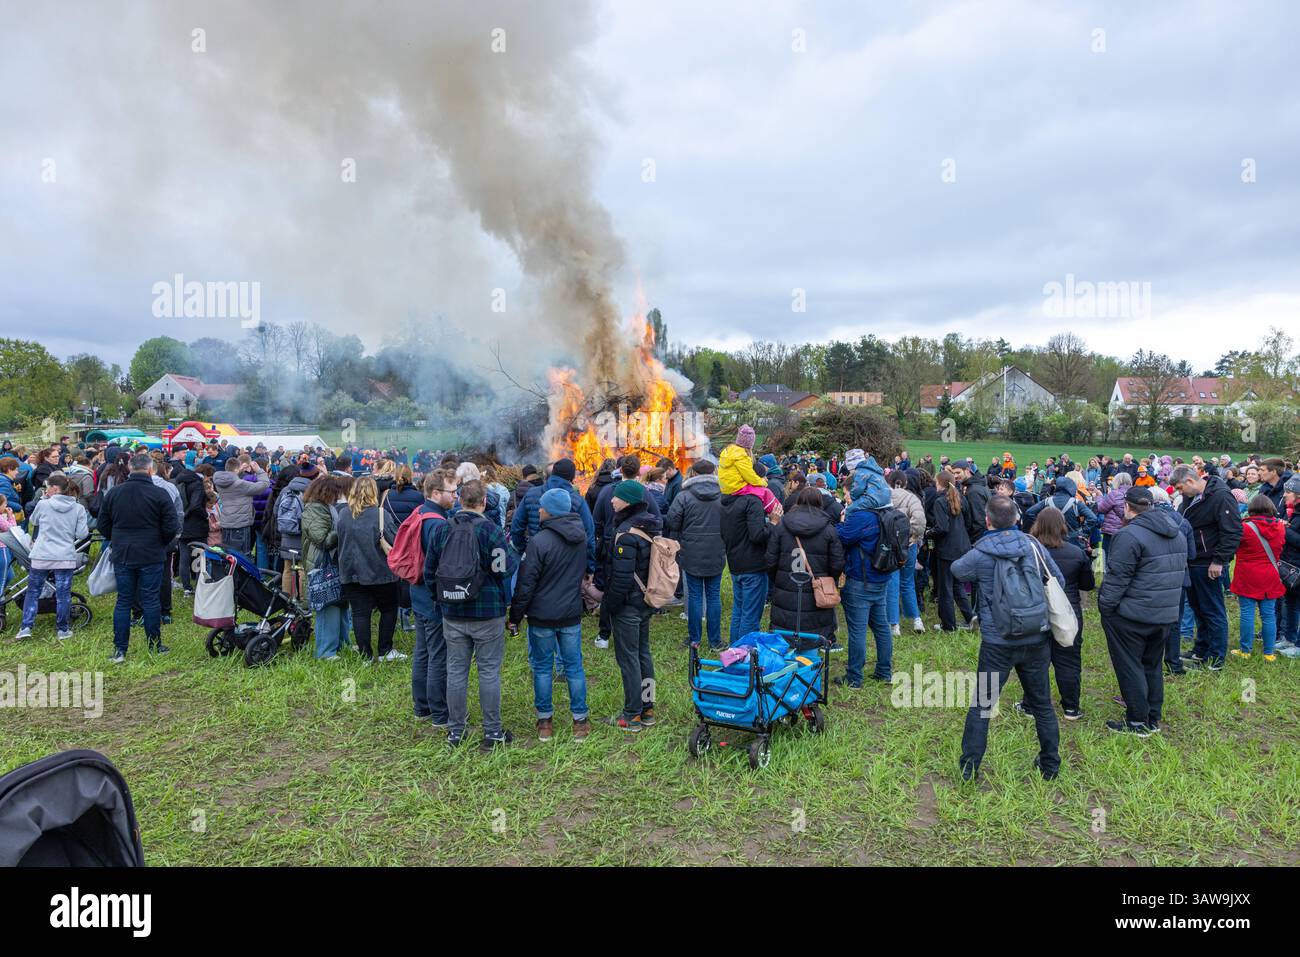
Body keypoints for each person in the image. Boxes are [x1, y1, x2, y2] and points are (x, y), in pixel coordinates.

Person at [952, 495, 1064, 781]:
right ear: (1016, 519)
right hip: (1036, 636)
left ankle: (969, 769)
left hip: (997, 641)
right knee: (1042, 704)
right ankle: (1050, 765)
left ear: (987, 521)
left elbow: (957, 570)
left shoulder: (981, 552)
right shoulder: (1033, 545)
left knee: (982, 706)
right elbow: (1058, 581)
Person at [425, 479, 518, 750]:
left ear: (459, 500)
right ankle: (492, 733)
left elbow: (430, 572)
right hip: (487, 612)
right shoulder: (491, 531)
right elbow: (505, 569)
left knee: (456, 671)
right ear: (485, 502)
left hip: (452, 612)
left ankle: (456, 732)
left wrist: (440, 600)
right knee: (488, 672)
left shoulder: (442, 530)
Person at [1097, 486, 1188, 736]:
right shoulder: (1176, 532)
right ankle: (1152, 715)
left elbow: (1118, 577)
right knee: (1152, 664)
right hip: (1164, 612)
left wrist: (1106, 607)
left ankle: (1137, 720)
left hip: (1133, 613)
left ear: (1127, 507)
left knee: (1130, 665)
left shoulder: (1129, 535)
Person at [508, 487, 591, 743]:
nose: (539, 510)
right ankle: (580, 721)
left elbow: (525, 584)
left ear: (551, 511)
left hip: (542, 616)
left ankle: (545, 721)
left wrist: (515, 616)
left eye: (542, 507)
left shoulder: (539, 542)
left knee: (542, 668)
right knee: (574, 667)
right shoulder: (581, 538)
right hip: (570, 613)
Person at [97, 453, 179, 663]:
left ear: (130, 469)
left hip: (123, 551)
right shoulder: (159, 494)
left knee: (124, 600)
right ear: (150, 470)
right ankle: (154, 645)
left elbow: (103, 525)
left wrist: (117, 538)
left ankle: (120, 649)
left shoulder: (115, 493)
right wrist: (159, 541)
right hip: (151, 553)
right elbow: (171, 526)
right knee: (150, 599)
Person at [603, 480, 664, 732]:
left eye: (616, 497)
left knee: (628, 659)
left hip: (629, 604)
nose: (611, 501)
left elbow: (621, 578)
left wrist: (609, 607)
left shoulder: (626, 533)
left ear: (627, 501)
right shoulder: (650, 526)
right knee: (643, 654)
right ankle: (647, 707)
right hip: (647, 599)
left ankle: (632, 714)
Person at [1172, 463, 1241, 670]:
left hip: (1209, 562)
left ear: (1190, 481)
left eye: (1180, 488)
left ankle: (1216, 657)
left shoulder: (1220, 496)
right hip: (1192, 562)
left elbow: (1233, 531)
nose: (1179, 492)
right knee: (1198, 608)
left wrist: (1220, 560)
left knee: (1213, 610)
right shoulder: (1190, 498)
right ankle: (1201, 649)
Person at [1027, 507, 1093, 719]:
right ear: (1062, 526)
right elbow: (1088, 584)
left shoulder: (1029, 553)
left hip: (1036, 611)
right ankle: (1071, 707)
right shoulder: (1076, 552)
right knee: (1069, 660)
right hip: (1067, 610)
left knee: (1035, 661)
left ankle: (1031, 704)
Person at [835, 456, 894, 686]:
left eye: (847, 493)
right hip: (882, 577)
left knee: (857, 630)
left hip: (861, 579)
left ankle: (854, 677)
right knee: (881, 627)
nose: (846, 497)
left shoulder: (860, 514)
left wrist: (840, 522)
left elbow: (843, 537)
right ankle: (884, 671)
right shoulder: (885, 510)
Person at [406, 469, 455, 726]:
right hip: (432, 595)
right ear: (436, 493)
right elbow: (443, 566)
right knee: (438, 654)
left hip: (418, 592)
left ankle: (422, 706)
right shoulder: (437, 523)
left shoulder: (420, 513)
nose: (456, 496)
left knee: (422, 651)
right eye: (452, 491)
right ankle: (440, 714)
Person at [766, 487, 845, 645]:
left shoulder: (782, 526)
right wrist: (830, 579)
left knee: (785, 638)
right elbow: (837, 563)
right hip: (816, 585)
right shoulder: (829, 530)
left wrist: (778, 579)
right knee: (813, 636)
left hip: (786, 583)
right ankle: (809, 662)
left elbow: (770, 560)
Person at [15, 476, 90, 641]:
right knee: (63, 594)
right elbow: (82, 534)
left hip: (42, 554)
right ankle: (62, 629)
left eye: (47, 487)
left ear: (55, 489)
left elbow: (33, 521)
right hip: (64, 555)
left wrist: (43, 500)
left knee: (33, 591)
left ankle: (26, 627)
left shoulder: (43, 504)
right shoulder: (78, 508)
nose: (45, 490)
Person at [665, 460, 726, 650]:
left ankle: (694, 639)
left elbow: (672, 521)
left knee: (695, 596)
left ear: (694, 473)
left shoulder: (684, 496)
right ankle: (715, 641)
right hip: (716, 550)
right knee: (713, 596)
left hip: (691, 552)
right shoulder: (723, 496)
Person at [720, 466, 774, 640]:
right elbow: (757, 535)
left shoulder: (727, 500)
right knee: (750, 615)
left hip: (735, 562)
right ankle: (745, 657)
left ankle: (734, 651)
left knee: (739, 610)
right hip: (753, 565)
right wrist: (773, 523)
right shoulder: (752, 501)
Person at [1230, 494, 1286, 661]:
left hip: (1248, 574)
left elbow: (1234, 546)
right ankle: (1269, 653)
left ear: (1252, 508)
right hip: (1271, 574)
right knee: (1268, 615)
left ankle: (1245, 650)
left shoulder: (1245, 527)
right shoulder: (1280, 527)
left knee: (1247, 613)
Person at [927, 470, 975, 631]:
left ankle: (948, 625)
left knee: (945, 587)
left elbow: (942, 528)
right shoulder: (962, 498)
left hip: (947, 549)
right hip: (963, 546)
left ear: (940, 483)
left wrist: (928, 533)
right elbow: (969, 523)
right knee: (957, 585)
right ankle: (971, 617)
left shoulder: (940, 502)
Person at [886, 470, 926, 636]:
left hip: (890, 547)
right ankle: (917, 620)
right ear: (905, 482)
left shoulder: (884, 498)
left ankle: (894, 625)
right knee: (908, 582)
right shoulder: (912, 498)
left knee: (892, 584)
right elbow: (920, 522)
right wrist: (911, 537)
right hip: (909, 546)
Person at [213, 456, 270, 555]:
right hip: (240, 525)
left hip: (226, 523)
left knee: (228, 555)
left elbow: (231, 478)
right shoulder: (240, 485)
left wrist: (238, 470)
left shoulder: (219, 483)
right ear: (236, 469)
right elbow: (264, 485)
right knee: (241, 557)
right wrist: (259, 471)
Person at [718, 425, 780, 516]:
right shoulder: (741, 456)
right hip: (736, 487)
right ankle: (778, 512)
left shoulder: (728, 451)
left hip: (726, 487)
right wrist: (763, 482)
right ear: (750, 444)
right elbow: (750, 476)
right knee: (766, 492)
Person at [1095, 471, 1133, 552]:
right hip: (1130, 530)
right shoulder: (1134, 492)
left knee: (1108, 556)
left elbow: (1101, 508)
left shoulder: (1114, 493)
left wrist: (1099, 497)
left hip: (1111, 531)